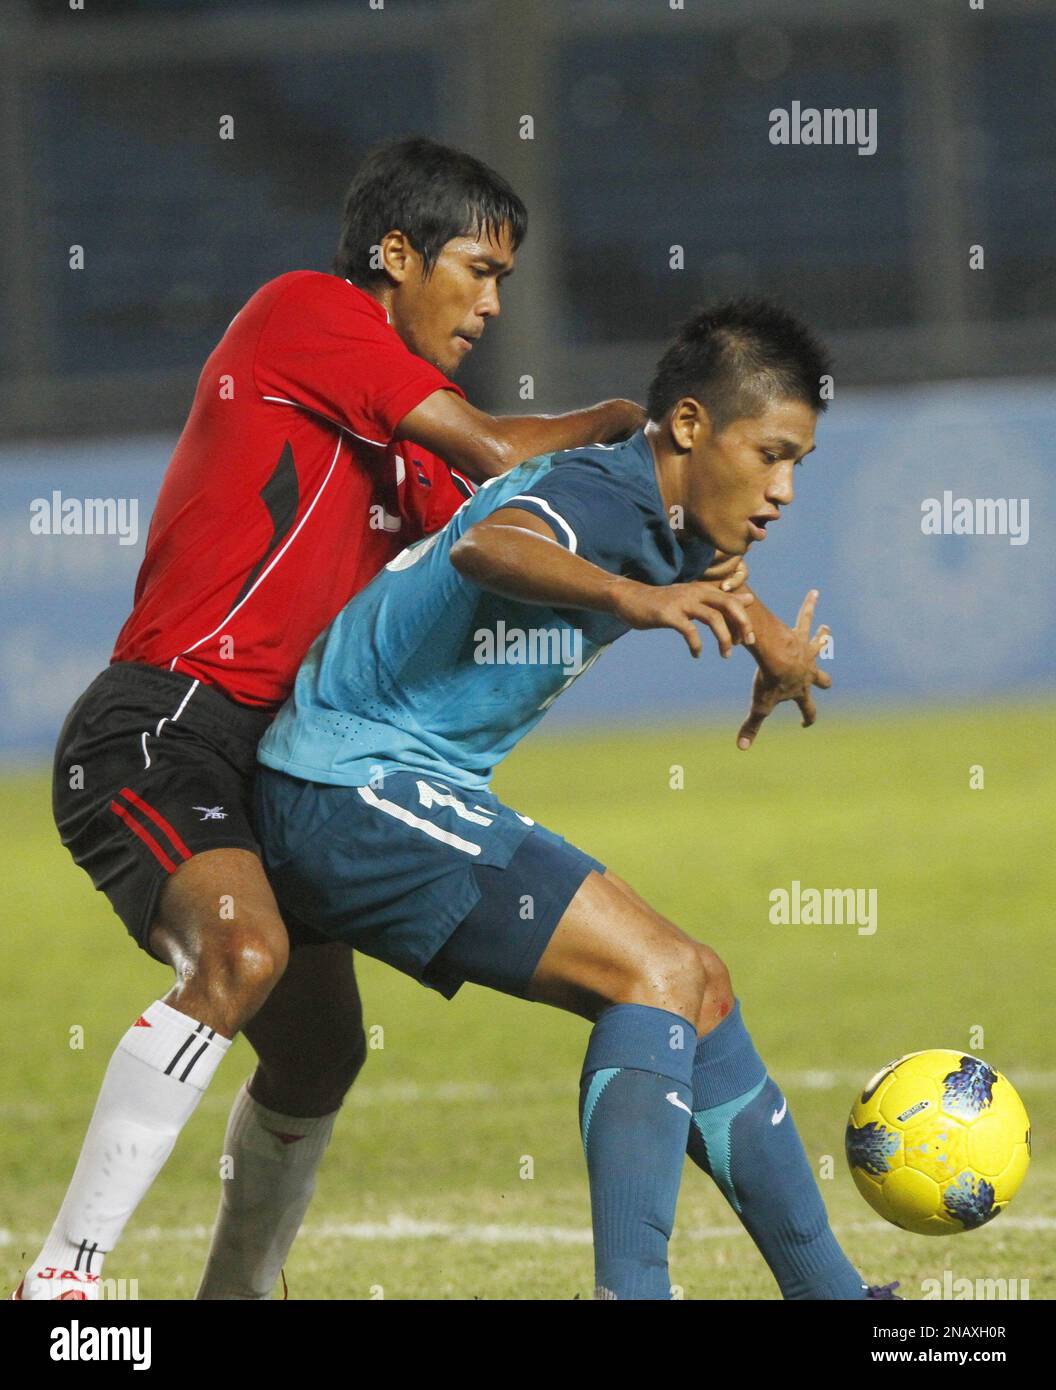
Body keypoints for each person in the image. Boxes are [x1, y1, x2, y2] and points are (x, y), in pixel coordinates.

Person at [16, 136, 650, 1301]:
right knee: (242, 954)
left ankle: (237, 1294)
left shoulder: (413, 465)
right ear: (393, 255)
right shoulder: (302, 314)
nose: (492, 302)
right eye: (477, 267)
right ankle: (63, 1281)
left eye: (506, 278)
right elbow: (504, 449)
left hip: (281, 765)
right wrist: (625, 423)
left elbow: (501, 529)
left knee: (318, 1054)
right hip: (161, 728)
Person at [251, 298, 899, 1299]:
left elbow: (712, 567)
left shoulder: (679, 504)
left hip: (389, 786)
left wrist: (771, 641)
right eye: (769, 454)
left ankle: (843, 1304)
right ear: (689, 427)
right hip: (346, 786)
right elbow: (490, 543)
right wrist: (630, 600)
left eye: (799, 464)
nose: (784, 489)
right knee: (655, 974)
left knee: (700, 987)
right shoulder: (601, 495)